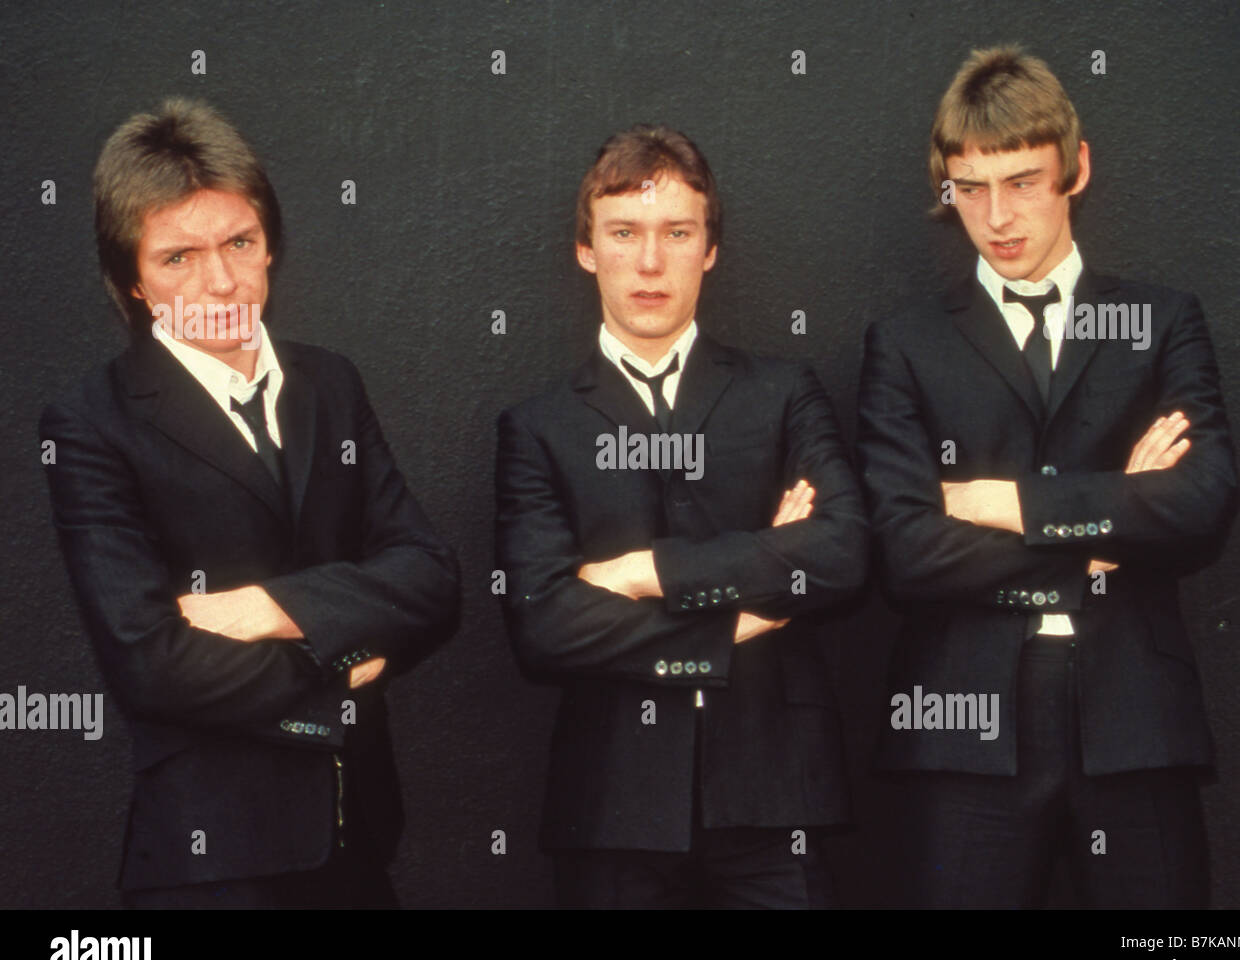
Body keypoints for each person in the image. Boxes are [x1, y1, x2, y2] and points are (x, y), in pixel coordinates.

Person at [39, 97, 459, 908]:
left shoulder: (330, 384)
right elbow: (151, 665)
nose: (221, 282)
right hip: (213, 862)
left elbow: (434, 578)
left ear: (270, 246)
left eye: (240, 242)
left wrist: (275, 605)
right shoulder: (92, 423)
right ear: (132, 278)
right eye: (178, 257)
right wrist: (345, 667)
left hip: (361, 843)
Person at [855, 45, 1239, 907]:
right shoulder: (905, 342)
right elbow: (907, 551)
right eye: (970, 187)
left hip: (1137, 722)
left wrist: (1002, 504)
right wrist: (1108, 531)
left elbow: (1205, 506)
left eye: (1023, 180)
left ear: (1077, 168)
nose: (997, 216)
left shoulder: (1161, 321)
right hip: (962, 731)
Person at [495, 124, 867, 908]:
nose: (651, 262)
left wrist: (642, 573)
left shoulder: (783, 392)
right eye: (624, 233)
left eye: (677, 232)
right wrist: (745, 603)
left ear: (711, 248)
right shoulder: (538, 427)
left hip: (776, 800)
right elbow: (543, 624)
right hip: (611, 807)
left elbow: (840, 554)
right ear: (586, 249)